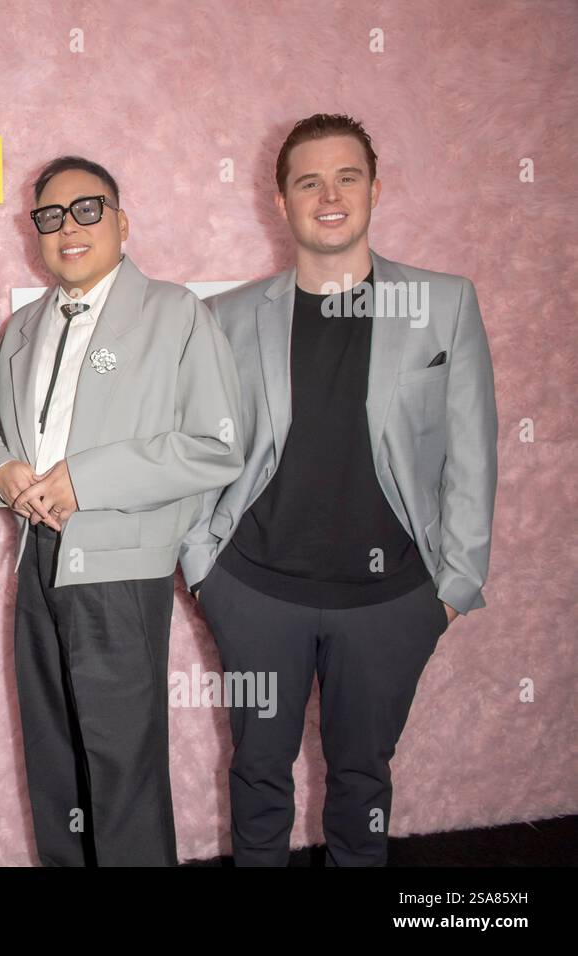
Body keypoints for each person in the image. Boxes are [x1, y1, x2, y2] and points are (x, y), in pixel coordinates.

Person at [179, 113, 498, 865]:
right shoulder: (225, 319)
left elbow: (474, 452)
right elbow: (204, 450)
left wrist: (454, 585)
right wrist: (203, 570)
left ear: (375, 189)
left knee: (363, 782)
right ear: (281, 201)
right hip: (254, 593)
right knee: (258, 774)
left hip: (391, 605)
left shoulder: (444, 303)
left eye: (347, 177)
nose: (330, 194)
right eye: (308, 181)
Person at [0, 156, 245, 866]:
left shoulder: (174, 313)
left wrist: (84, 480)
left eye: (88, 210)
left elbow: (216, 446)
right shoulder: (23, 328)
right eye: (51, 216)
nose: (70, 227)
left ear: (123, 223)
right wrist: (4, 471)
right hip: (35, 558)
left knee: (122, 767)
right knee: (53, 754)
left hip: (119, 564)